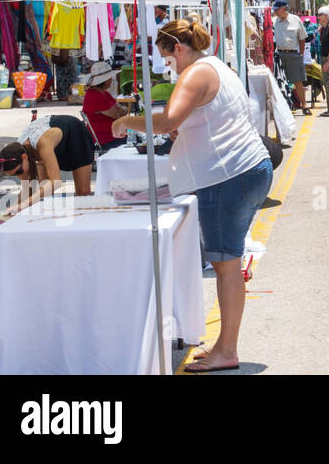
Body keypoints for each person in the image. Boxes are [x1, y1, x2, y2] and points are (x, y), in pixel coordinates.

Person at [112, 19, 273, 374]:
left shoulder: (195, 74)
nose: (169, 68)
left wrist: (127, 121)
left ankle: (227, 350)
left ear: (179, 49)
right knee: (226, 260)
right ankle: (224, 344)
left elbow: (169, 120)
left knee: (226, 265)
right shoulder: (216, 65)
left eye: (168, 60)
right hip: (244, 170)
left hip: (229, 176)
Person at [0, 114, 98, 207]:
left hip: (76, 135)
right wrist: (13, 209)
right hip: (51, 145)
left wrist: (24, 204)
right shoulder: (19, 151)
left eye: (19, 172)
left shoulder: (43, 143)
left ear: (24, 157)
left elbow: (56, 181)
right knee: (44, 190)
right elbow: (27, 189)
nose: (19, 176)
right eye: (15, 175)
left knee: (83, 192)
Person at [271, 0, 309, 115]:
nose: (275, 13)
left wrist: (301, 54)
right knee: (280, 81)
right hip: (279, 54)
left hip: (293, 54)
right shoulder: (274, 21)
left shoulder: (295, 20)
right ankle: (284, 105)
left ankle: (304, 105)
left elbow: (302, 38)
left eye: (277, 10)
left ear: (284, 9)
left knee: (298, 81)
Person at [81, 60, 127, 151]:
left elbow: (122, 112)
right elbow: (117, 114)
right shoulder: (96, 96)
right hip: (106, 139)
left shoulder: (102, 94)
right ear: (105, 80)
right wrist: (119, 108)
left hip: (111, 135)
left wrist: (119, 109)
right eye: (110, 78)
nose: (112, 80)